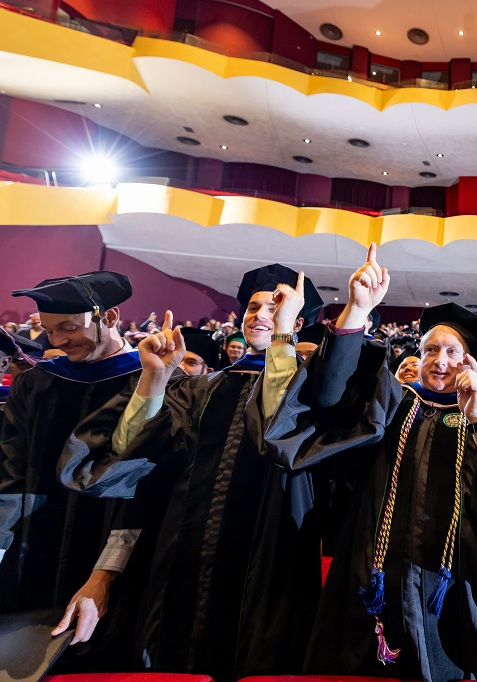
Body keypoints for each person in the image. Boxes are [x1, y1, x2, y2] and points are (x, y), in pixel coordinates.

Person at [260, 246, 477, 681]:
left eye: (452, 352)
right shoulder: (390, 408)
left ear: (473, 363)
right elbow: (330, 398)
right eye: (431, 350)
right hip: (374, 593)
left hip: (464, 599)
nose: (439, 361)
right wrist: (357, 309)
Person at [59, 264, 326, 681]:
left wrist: (283, 336)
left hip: (270, 558)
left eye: (274, 307)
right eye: (252, 306)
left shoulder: (312, 393)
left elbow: (280, 424)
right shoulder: (198, 389)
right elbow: (136, 451)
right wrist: (154, 377)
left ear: (298, 320)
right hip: (179, 557)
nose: (258, 314)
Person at [0, 272, 146, 655]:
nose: (58, 341)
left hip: (113, 565)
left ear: (110, 317)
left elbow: (149, 488)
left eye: (68, 327)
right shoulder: (36, 383)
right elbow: (11, 473)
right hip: (27, 561)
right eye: (49, 331)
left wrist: (106, 573)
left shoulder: (153, 384)